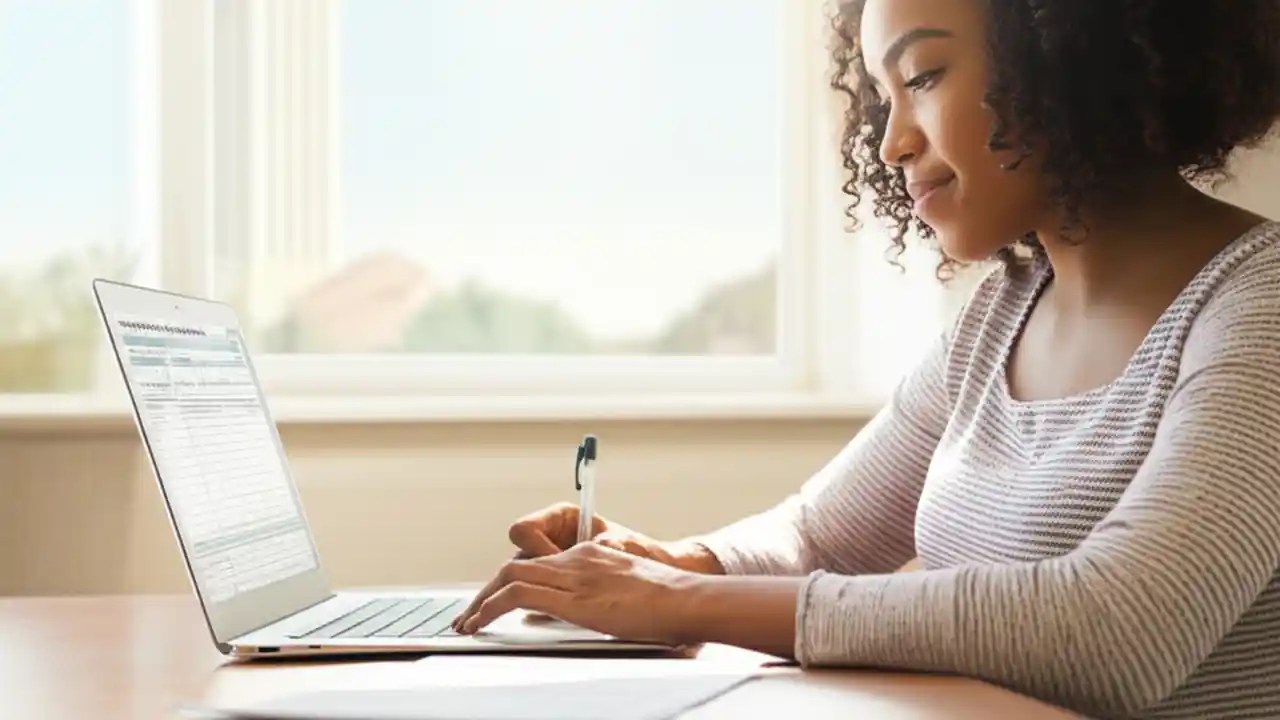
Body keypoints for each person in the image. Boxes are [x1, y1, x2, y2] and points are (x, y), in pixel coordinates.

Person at [451, 0, 1280, 717]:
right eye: (881, 97)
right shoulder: (1002, 312)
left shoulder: (1259, 307)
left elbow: (1122, 632)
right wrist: (676, 563)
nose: (888, 145)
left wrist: (683, 603)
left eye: (921, 76)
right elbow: (817, 534)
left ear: (1070, 54)